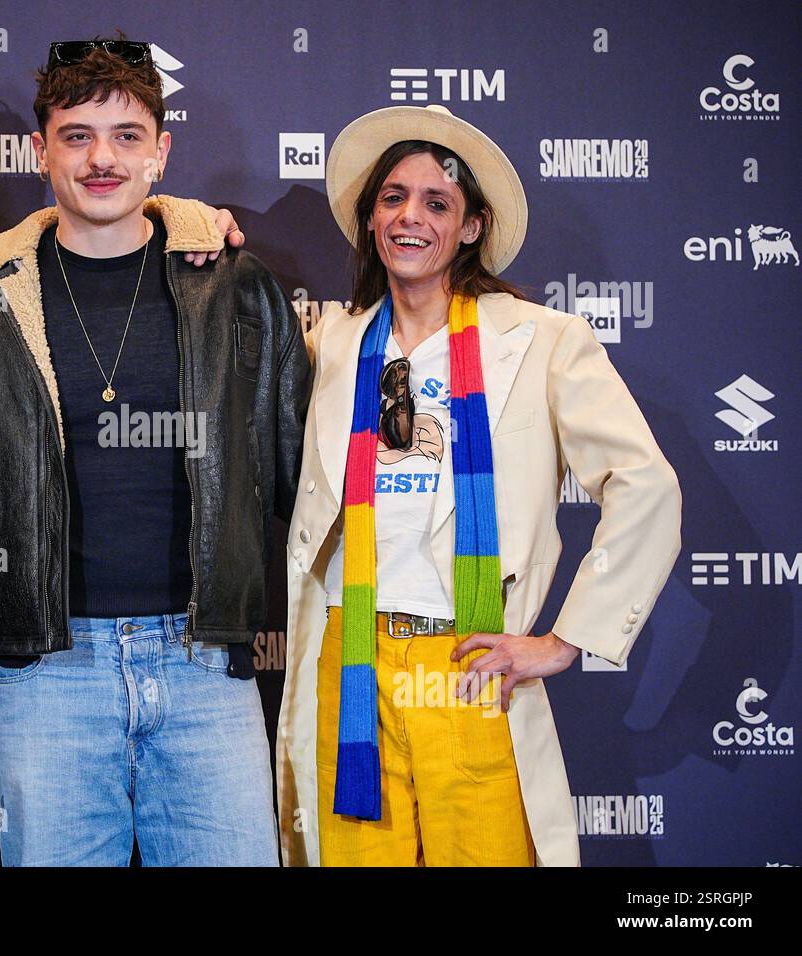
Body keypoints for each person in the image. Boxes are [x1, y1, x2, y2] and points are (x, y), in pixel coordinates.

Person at [0, 39, 310, 866]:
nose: (103, 159)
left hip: (208, 666)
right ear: (40, 151)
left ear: (161, 152)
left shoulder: (235, 285)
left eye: (128, 135)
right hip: (46, 675)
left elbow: (290, 473)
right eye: (78, 135)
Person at [275, 104, 681, 866]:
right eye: (393, 198)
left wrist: (564, 641)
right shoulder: (330, 342)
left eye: (437, 202)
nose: (410, 218)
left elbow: (646, 484)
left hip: (470, 665)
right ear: (370, 220)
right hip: (352, 662)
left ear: (469, 227)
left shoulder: (545, 342)